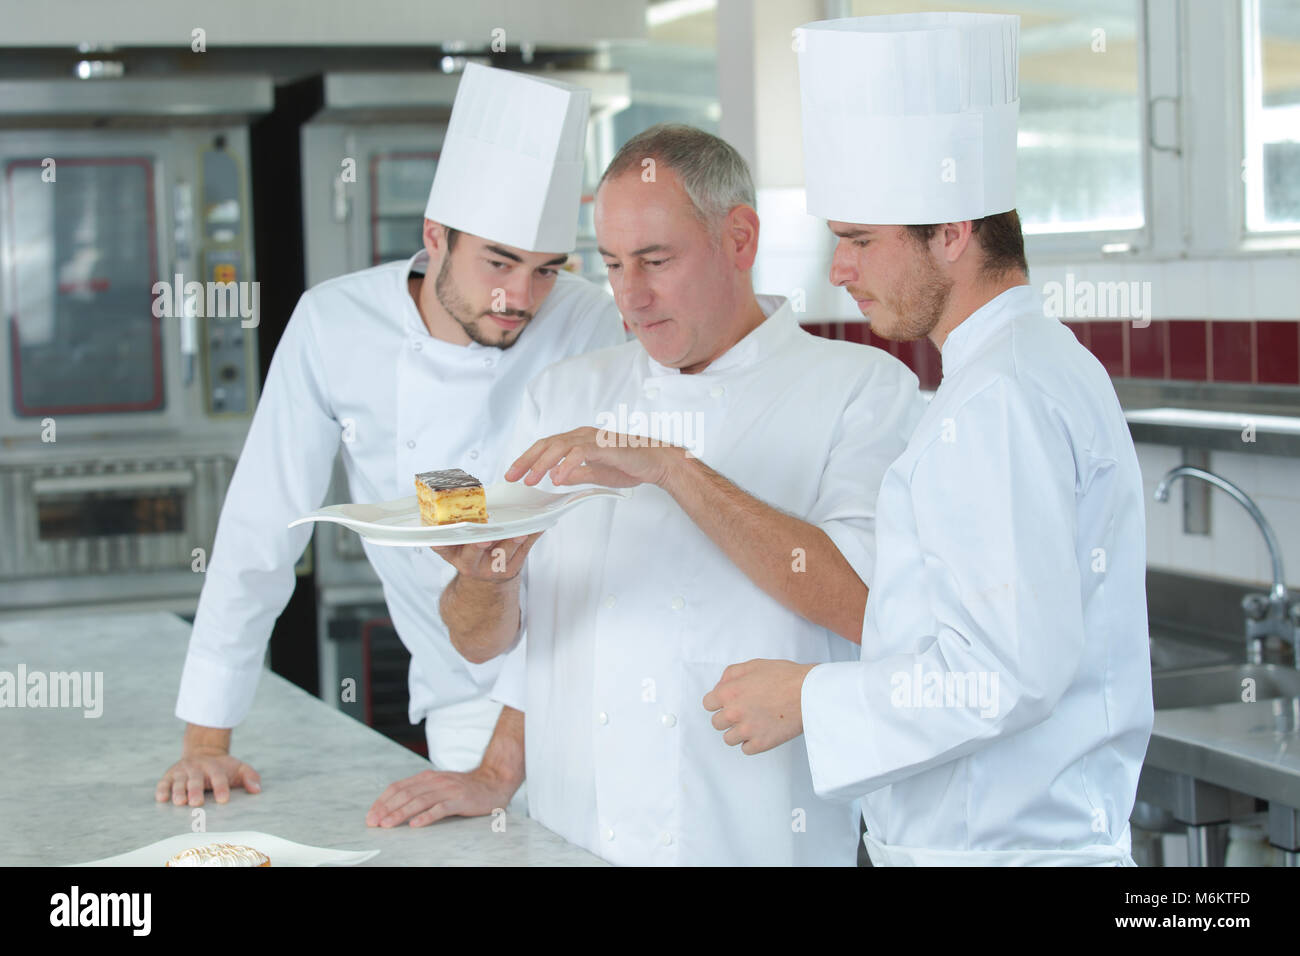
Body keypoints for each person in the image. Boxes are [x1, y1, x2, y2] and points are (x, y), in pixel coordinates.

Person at [705, 12, 1153, 866]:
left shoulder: (1001, 401)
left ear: (952, 233)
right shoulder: (1020, 370)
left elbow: (1005, 672)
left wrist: (810, 697)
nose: (839, 270)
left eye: (861, 241)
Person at [433, 124, 926, 865]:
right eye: (611, 264)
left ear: (740, 238)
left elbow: (863, 603)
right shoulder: (566, 394)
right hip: (573, 841)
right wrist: (483, 577)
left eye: (657, 260)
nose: (630, 295)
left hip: (755, 842)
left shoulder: (861, 388)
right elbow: (481, 640)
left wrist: (672, 469)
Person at [155, 64, 625, 827]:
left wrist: (506, 766)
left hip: (585, 691)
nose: (521, 300)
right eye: (498, 263)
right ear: (434, 237)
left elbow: (606, 561)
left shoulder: (590, 322)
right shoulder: (335, 325)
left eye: (546, 270)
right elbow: (261, 523)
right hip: (459, 706)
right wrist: (208, 737)